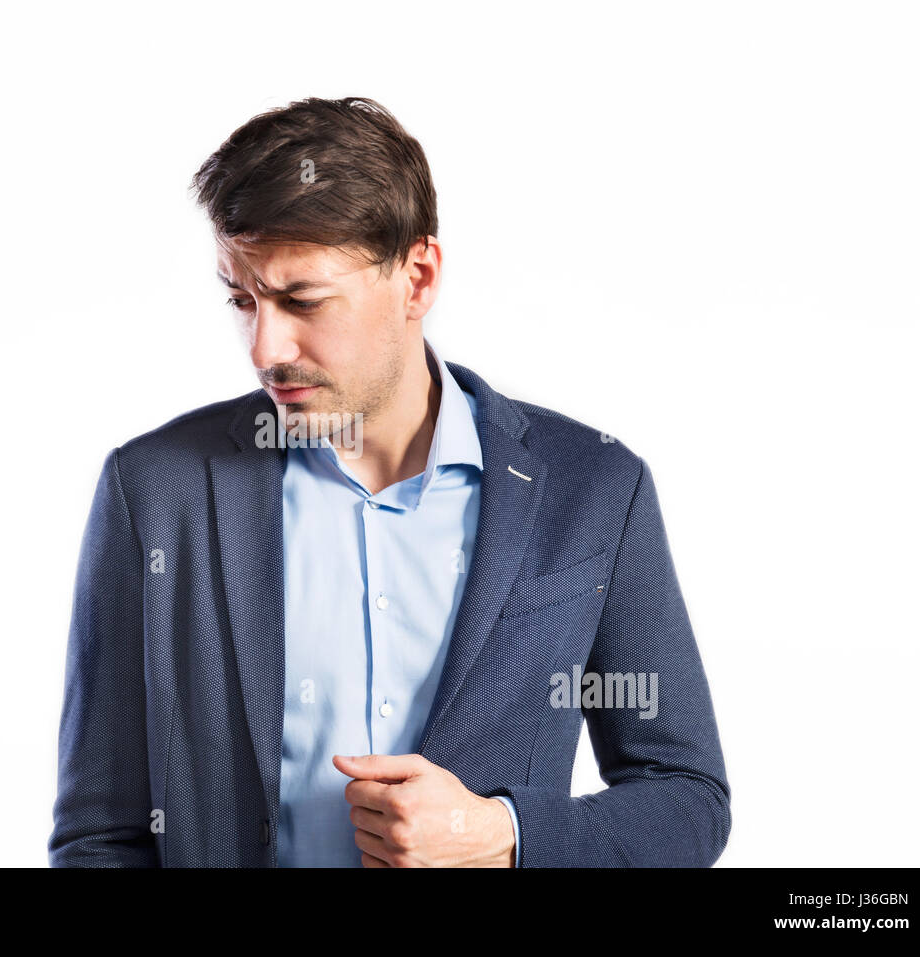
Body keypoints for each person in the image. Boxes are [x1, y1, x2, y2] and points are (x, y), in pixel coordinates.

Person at [48, 96, 730, 867]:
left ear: (417, 276)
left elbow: (685, 796)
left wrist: (502, 833)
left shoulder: (594, 488)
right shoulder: (155, 491)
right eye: (242, 299)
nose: (264, 346)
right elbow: (98, 835)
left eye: (302, 299)